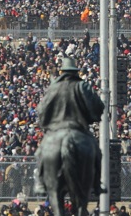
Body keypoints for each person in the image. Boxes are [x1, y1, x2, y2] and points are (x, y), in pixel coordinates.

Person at [35, 55, 105, 196]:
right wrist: (92, 116)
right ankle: (97, 184)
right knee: (97, 152)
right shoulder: (82, 86)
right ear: (75, 71)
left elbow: (41, 110)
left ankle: (40, 182)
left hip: (57, 129)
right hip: (78, 128)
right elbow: (99, 105)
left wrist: (45, 122)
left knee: (40, 152)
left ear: (63, 72)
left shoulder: (54, 87)